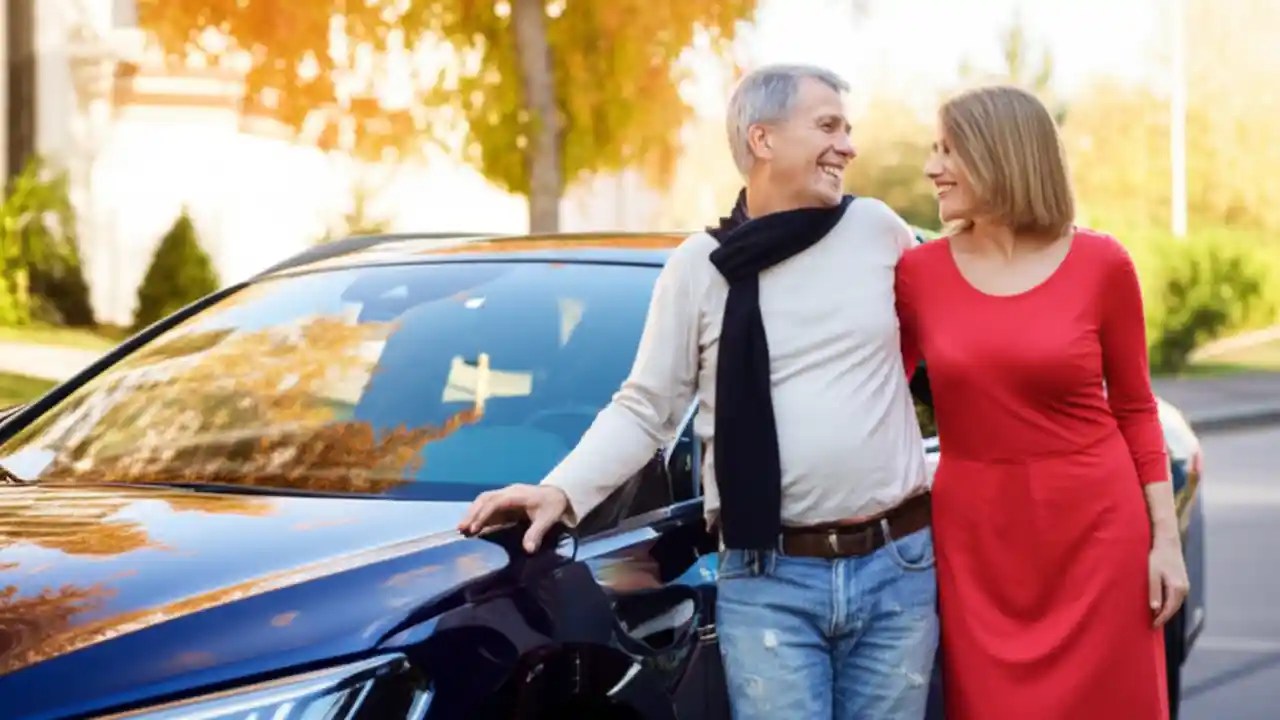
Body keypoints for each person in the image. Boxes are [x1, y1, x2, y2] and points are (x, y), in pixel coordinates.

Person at [459, 64, 939, 719]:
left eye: (848, 130)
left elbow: (953, 343)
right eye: (828, 126)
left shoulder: (879, 230)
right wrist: (561, 490)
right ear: (763, 140)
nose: (849, 146)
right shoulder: (699, 269)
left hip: (897, 568)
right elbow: (645, 408)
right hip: (770, 583)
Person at [895, 84, 1190, 720]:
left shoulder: (1101, 263)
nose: (931, 167)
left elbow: (1136, 410)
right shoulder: (918, 275)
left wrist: (1164, 541)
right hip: (978, 546)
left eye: (950, 149)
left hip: (1097, 534)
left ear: (1002, 155)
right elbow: (875, 389)